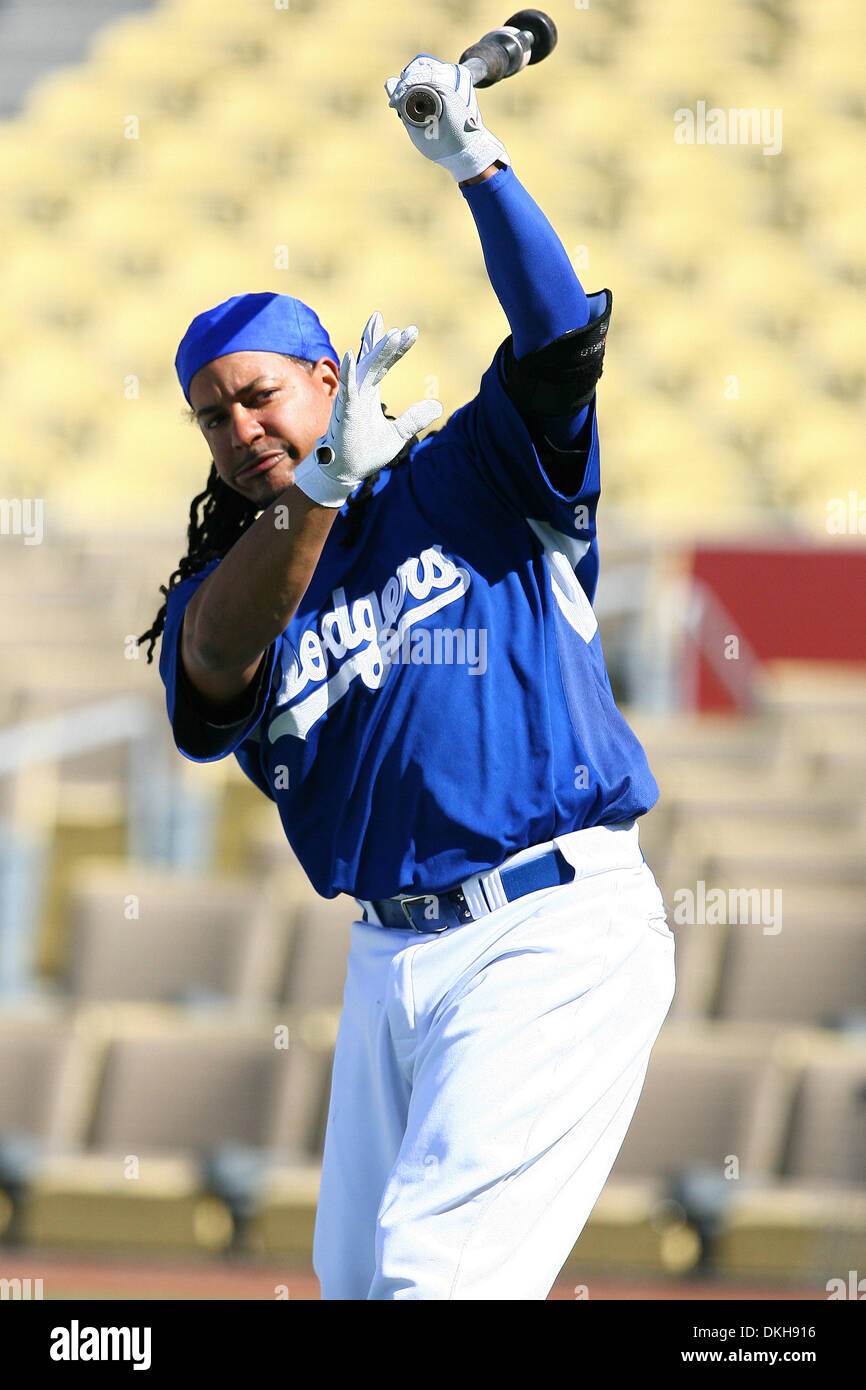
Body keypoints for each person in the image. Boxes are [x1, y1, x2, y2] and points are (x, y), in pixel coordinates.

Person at [138, 54, 676, 1300]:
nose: (239, 430)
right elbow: (214, 664)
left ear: (328, 379)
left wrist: (473, 165)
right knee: (367, 1288)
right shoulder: (236, 583)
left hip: (546, 923)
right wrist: (323, 490)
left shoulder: (465, 474)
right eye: (211, 416)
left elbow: (557, 342)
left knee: (435, 1286)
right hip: (388, 960)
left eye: (260, 396)